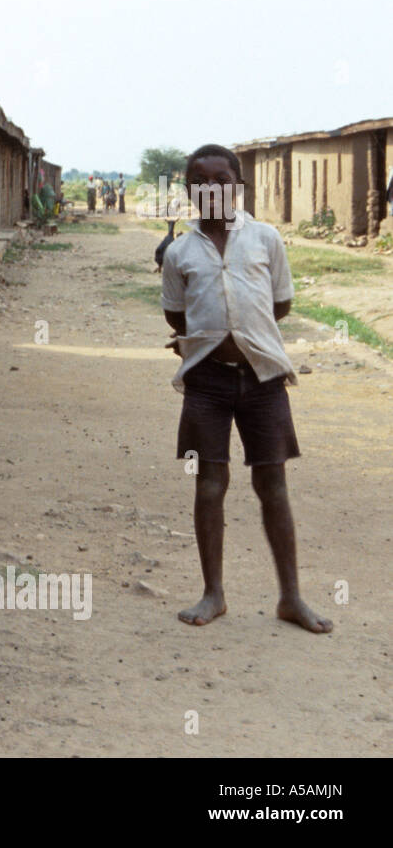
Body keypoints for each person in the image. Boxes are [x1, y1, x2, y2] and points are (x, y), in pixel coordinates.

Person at [161, 144, 332, 634]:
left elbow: (279, 304)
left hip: (263, 378)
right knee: (209, 484)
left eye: (222, 179)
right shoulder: (180, 252)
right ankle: (213, 593)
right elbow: (177, 314)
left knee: (273, 486)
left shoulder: (265, 238)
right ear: (190, 191)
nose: (212, 189)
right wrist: (214, 341)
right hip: (207, 382)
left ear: (238, 185)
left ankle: (291, 597)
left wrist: (245, 340)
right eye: (200, 181)